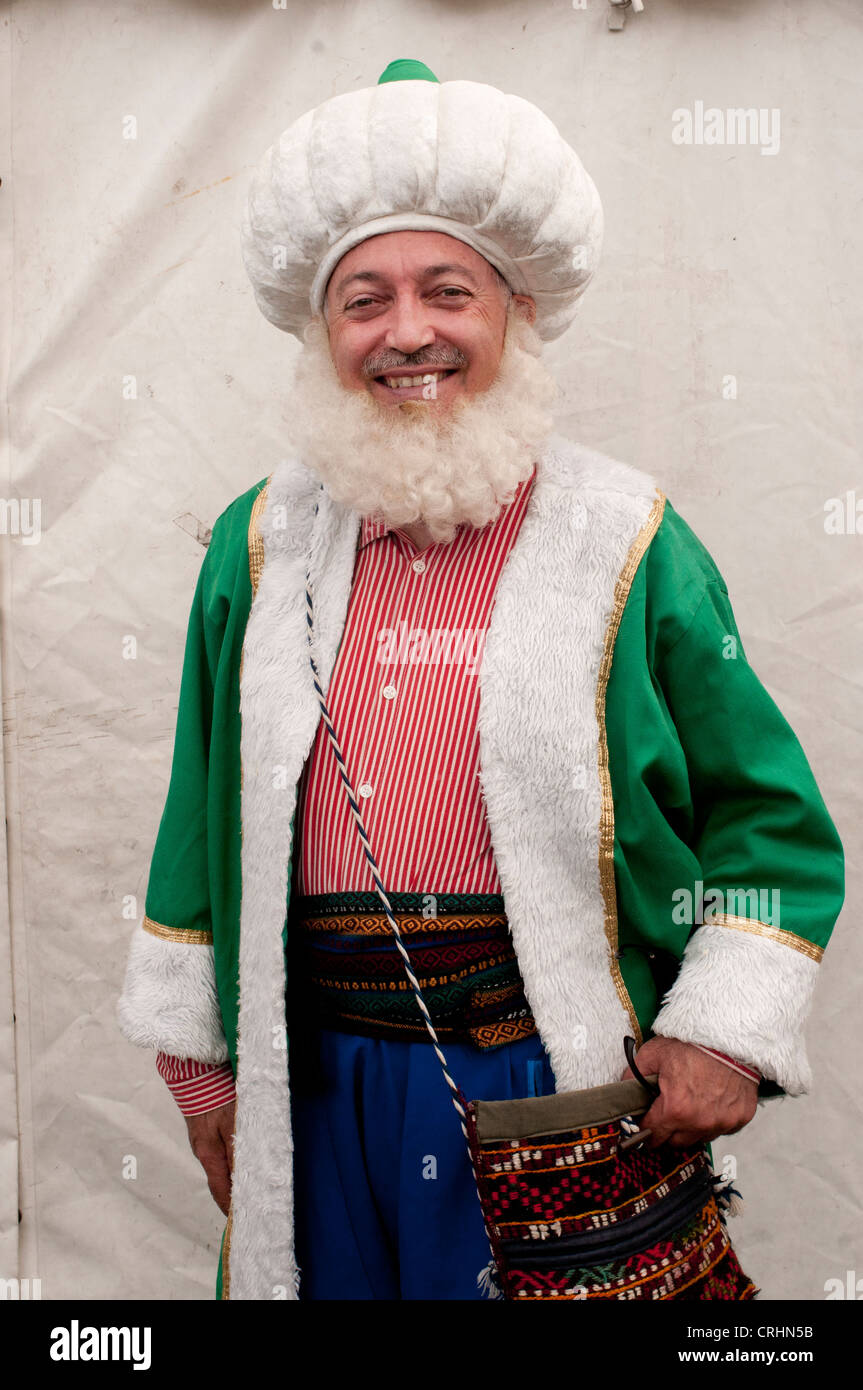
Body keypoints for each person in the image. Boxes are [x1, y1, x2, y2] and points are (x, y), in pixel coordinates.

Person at [117, 59, 845, 1301]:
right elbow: (197, 815)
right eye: (363, 300)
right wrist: (200, 1068)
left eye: (444, 290)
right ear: (321, 331)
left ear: (511, 308)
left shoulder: (627, 538)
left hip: (543, 1076)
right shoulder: (256, 542)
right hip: (313, 1074)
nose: (406, 333)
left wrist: (724, 1027)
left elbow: (768, 821)